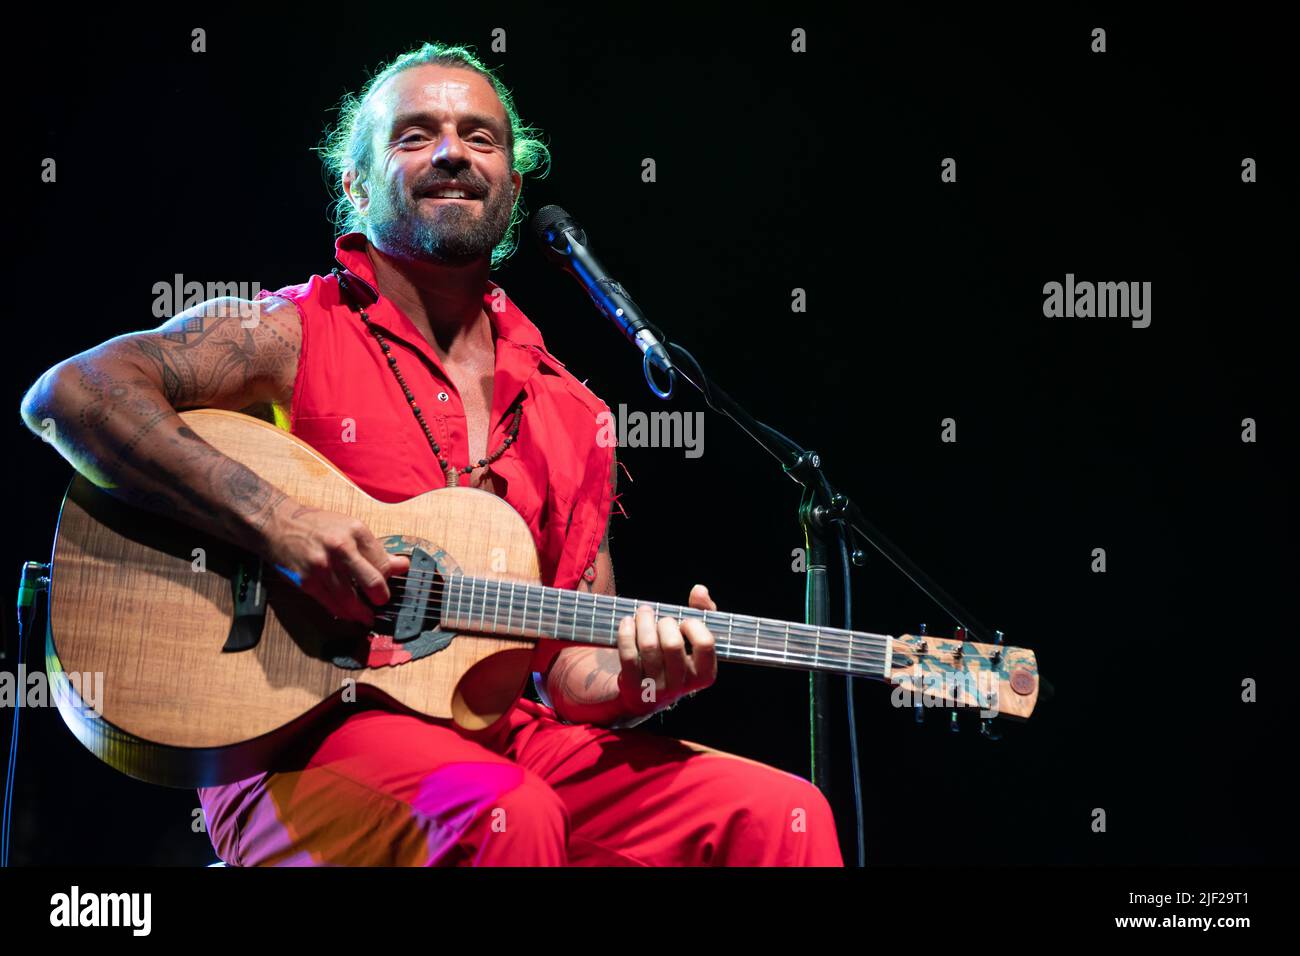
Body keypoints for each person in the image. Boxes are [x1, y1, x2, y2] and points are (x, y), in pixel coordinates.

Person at [21, 42, 842, 866]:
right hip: (293, 742)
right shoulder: (289, 333)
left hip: (500, 746)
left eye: (480, 138)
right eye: (415, 135)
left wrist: (646, 678)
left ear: (514, 187)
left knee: (778, 814)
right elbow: (70, 396)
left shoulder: (570, 409)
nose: (453, 150)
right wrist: (279, 523)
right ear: (355, 184)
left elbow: (569, 673)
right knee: (506, 815)